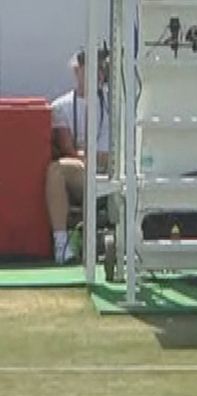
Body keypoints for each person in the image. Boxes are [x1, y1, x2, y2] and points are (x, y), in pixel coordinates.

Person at [45, 50, 109, 265]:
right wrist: (87, 156)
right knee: (56, 170)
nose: (97, 73)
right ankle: (62, 245)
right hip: (82, 174)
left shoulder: (116, 104)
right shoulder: (60, 106)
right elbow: (68, 150)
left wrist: (87, 155)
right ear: (77, 70)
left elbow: (107, 156)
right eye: (90, 67)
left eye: (101, 68)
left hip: (112, 174)